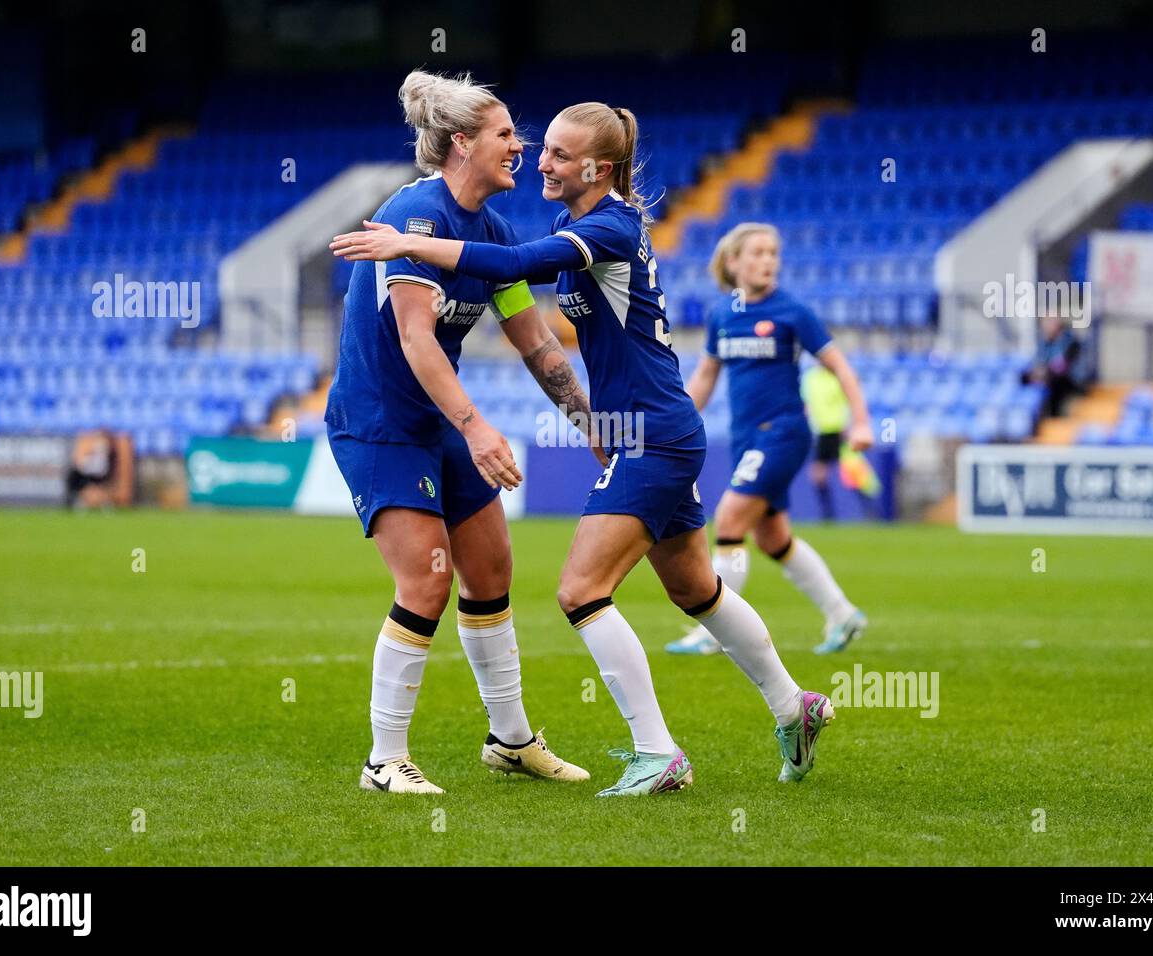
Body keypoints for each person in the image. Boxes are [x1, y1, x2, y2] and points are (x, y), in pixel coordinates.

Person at [332, 103, 835, 795]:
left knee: (580, 591)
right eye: (519, 140)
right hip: (644, 430)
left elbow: (514, 267)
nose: (536, 156)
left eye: (557, 153)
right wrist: (591, 425)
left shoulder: (605, 226)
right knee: (694, 586)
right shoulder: (571, 223)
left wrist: (412, 246)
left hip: (652, 433)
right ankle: (792, 705)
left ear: (597, 168)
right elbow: (538, 343)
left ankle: (657, 752)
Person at [325, 70, 593, 794]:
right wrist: (478, 430)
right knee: (428, 578)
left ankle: (510, 741)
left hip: (438, 419)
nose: (521, 146)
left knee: (493, 569)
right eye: (507, 135)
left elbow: (535, 342)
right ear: (462, 143)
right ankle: (384, 761)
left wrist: (590, 424)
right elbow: (416, 340)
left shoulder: (495, 233)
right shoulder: (414, 216)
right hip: (381, 423)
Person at [667, 223, 871, 657]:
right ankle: (842, 613)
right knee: (772, 537)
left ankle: (715, 633)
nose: (768, 261)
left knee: (729, 520)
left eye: (773, 253)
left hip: (783, 433)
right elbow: (704, 377)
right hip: (745, 437)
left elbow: (841, 367)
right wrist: (674, 424)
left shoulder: (792, 312)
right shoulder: (722, 314)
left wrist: (862, 421)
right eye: (758, 253)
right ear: (733, 263)